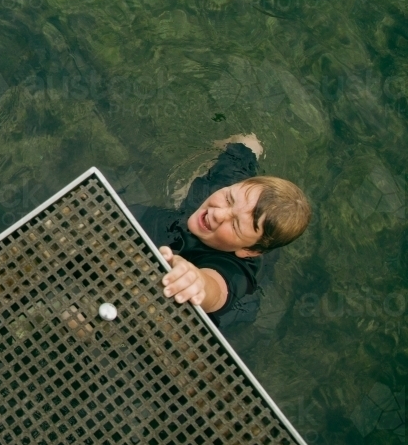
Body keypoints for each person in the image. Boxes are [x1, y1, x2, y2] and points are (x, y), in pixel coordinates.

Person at [129, 134, 311, 326]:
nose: (219, 214)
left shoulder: (239, 269)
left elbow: (215, 291)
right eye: (228, 198)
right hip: (183, 225)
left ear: (248, 250)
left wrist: (196, 282)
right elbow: (249, 142)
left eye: (235, 225)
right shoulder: (228, 185)